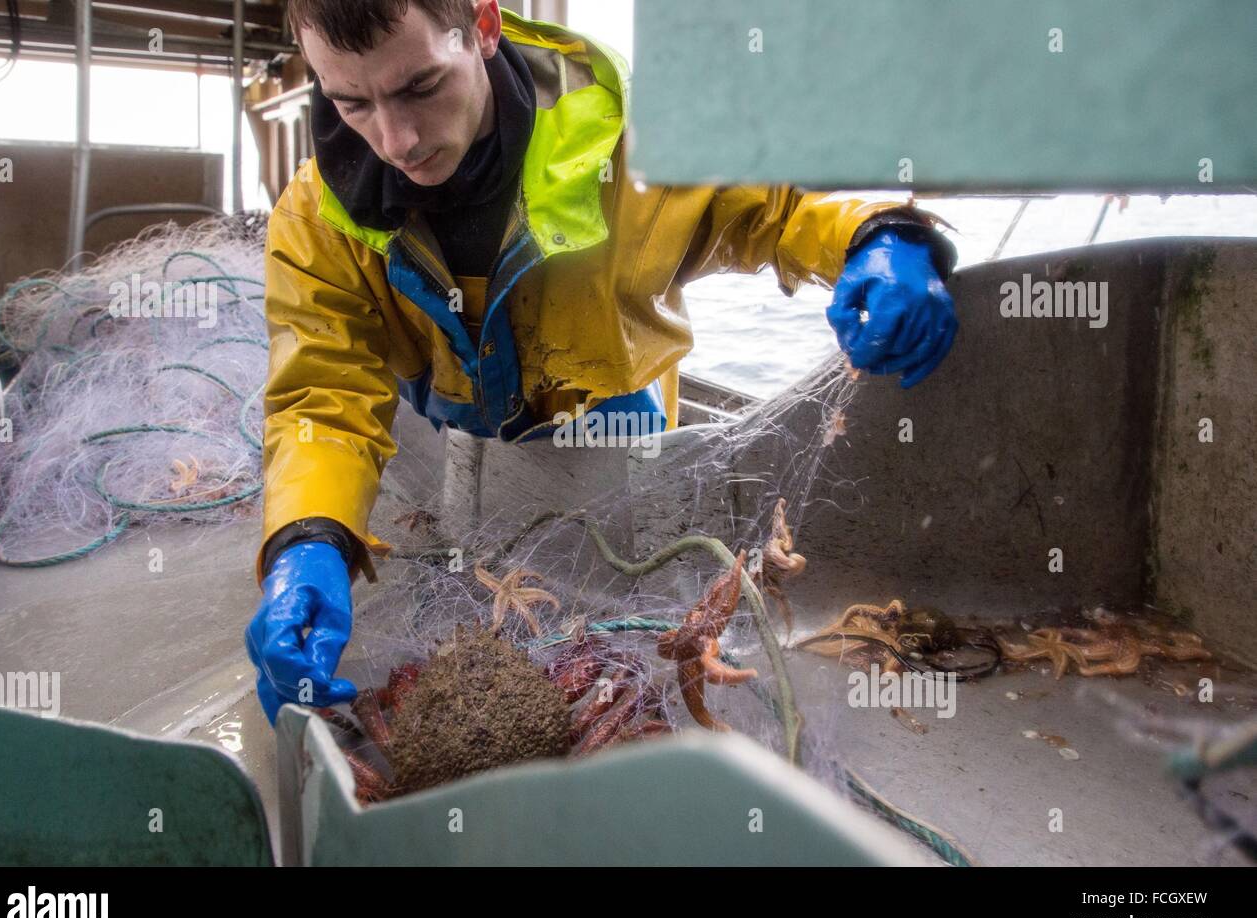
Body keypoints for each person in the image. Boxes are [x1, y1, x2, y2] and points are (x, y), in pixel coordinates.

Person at [246, 0, 958, 722]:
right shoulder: (315, 223)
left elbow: (781, 194)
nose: (395, 140)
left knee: (647, 692)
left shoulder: (641, 142)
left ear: (485, 26)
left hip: (636, 485)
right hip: (465, 481)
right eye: (351, 102)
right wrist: (310, 535)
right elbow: (320, 395)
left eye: (421, 87)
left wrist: (877, 231)